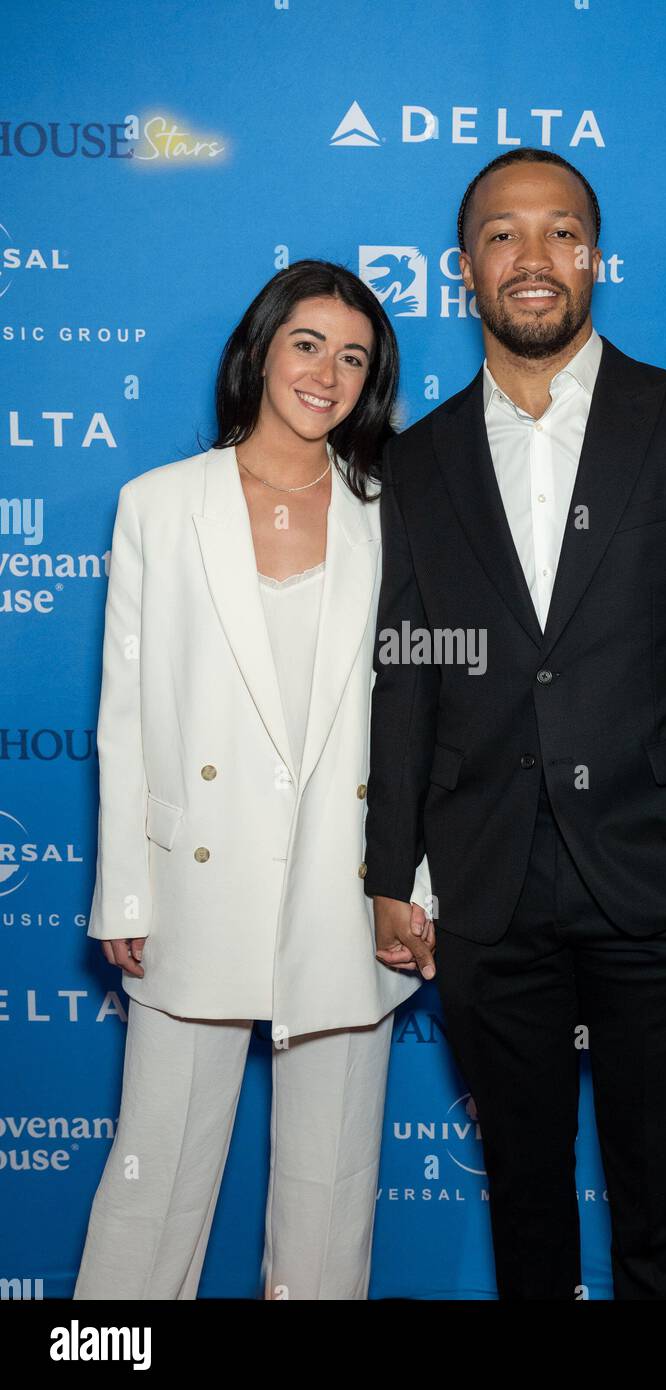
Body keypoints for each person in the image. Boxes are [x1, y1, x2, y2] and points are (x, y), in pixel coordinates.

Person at [364, 149, 666, 1300]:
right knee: (527, 1216)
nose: (533, 258)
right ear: (463, 269)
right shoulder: (415, 461)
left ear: (594, 257)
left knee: (662, 1216)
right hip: (486, 887)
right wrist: (391, 864)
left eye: (560, 232)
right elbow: (403, 676)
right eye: (503, 235)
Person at [74, 260, 434, 1302]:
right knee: (154, 1180)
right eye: (307, 343)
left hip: (350, 882)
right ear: (261, 351)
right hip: (196, 882)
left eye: (353, 356)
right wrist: (125, 891)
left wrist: (418, 887)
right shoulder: (159, 503)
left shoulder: (394, 514)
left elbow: (426, 718)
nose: (327, 372)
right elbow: (127, 714)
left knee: (332, 1191)